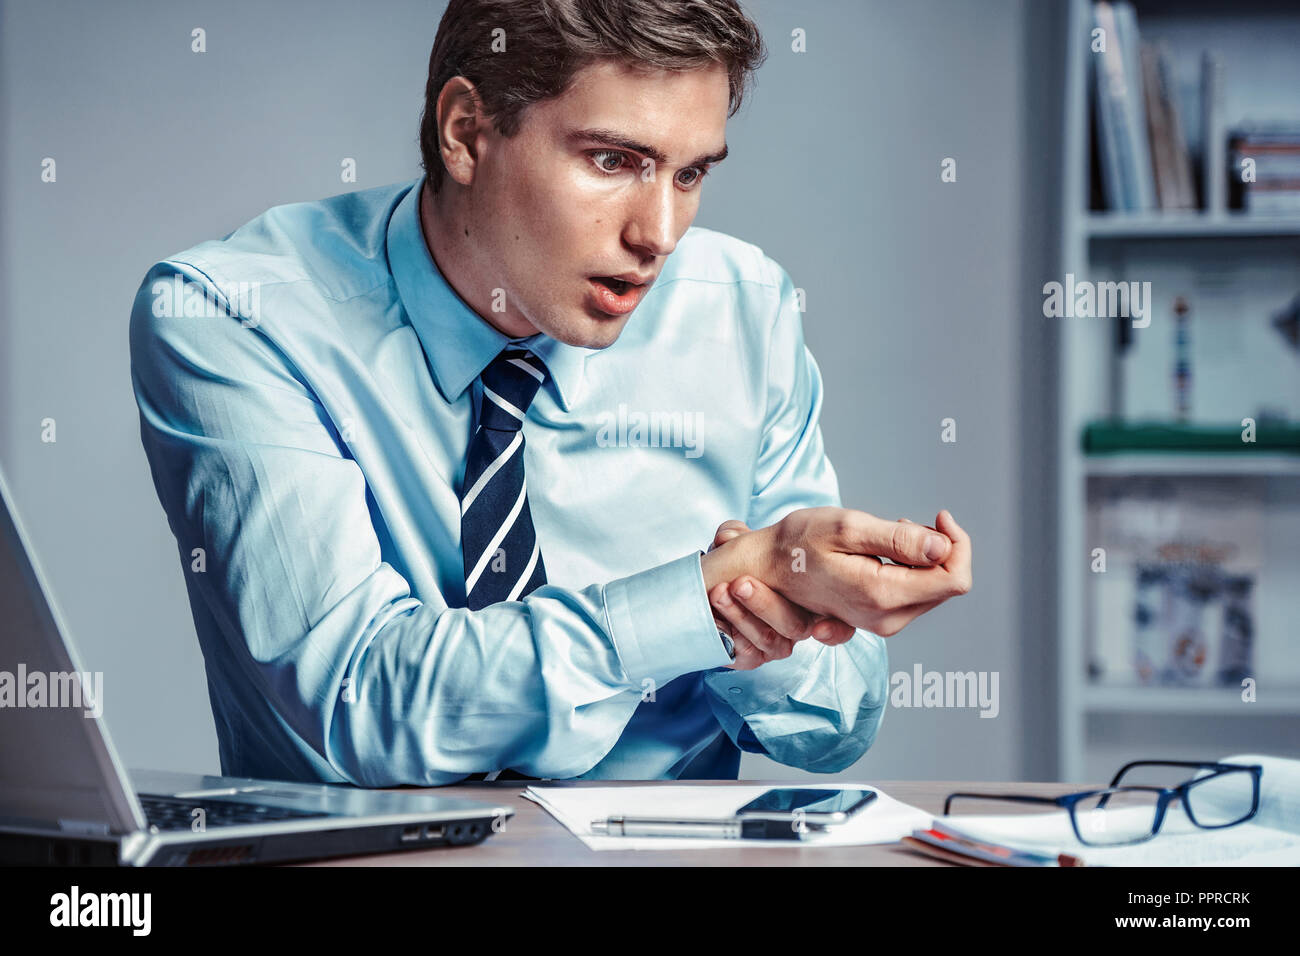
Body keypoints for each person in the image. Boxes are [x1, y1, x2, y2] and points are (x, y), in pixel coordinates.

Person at [128, 0, 971, 787]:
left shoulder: (741, 310)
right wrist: (689, 602)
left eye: (688, 175)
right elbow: (357, 702)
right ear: (466, 131)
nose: (660, 234)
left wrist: (766, 606)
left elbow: (836, 725)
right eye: (614, 161)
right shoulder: (237, 315)